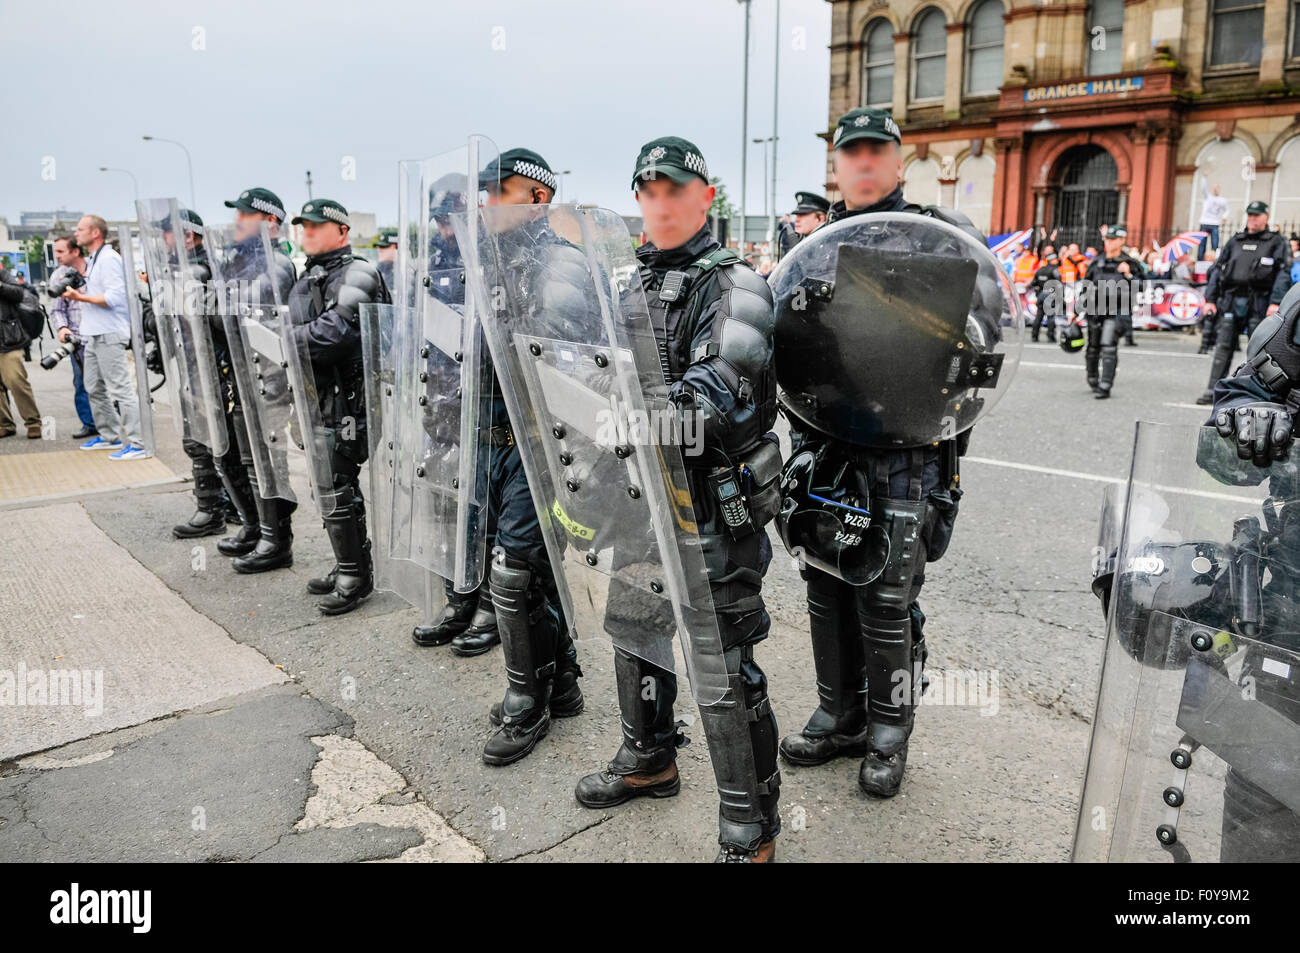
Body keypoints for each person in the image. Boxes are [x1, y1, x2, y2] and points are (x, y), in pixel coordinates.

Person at [567, 136, 783, 863]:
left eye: (672, 188)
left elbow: (716, 395)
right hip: (641, 497)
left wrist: (621, 410)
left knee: (721, 667)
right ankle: (649, 755)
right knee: (635, 627)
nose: (658, 202)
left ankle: (750, 829)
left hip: (710, 505)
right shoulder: (628, 284)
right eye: (647, 190)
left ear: (704, 198)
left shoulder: (735, 285)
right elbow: (596, 372)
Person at [775, 107, 987, 805]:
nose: (863, 163)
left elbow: (984, 344)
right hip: (829, 445)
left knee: (888, 598)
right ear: (836, 166)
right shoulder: (813, 246)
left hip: (905, 450)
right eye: (850, 153)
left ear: (900, 161)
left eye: (876, 151)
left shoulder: (943, 237)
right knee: (826, 582)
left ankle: (889, 731)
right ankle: (839, 715)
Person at [463, 148, 587, 764]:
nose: (486, 205)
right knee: (522, 571)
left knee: (515, 574)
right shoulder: (490, 263)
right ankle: (560, 681)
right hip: (493, 439)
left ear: (537, 198)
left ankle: (526, 699)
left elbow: (560, 367)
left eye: (498, 192)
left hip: (541, 447)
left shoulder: (561, 266)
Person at [287, 199, 390, 615]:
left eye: (316, 226)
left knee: (336, 485)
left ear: (342, 231)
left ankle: (355, 576)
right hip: (319, 400)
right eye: (303, 227)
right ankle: (350, 562)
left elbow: (333, 334)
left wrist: (283, 338)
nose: (307, 233)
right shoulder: (311, 274)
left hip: (352, 403)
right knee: (326, 485)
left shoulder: (358, 272)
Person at [213, 188, 299, 574]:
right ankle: (256, 528)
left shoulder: (277, 265)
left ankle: (276, 541)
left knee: (266, 459)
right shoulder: (240, 262)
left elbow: (235, 309)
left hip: (268, 379)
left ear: (270, 222)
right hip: (242, 375)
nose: (237, 222)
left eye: (245, 215)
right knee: (247, 458)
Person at [1196, 200, 1292, 405]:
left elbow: (1283, 273)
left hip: (1259, 302)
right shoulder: (1235, 240)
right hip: (1231, 300)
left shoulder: (1276, 242)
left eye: (1256, 216)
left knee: (1258, 352)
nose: (1252, 219)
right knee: (1223, 347)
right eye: (1250, 215)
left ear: (1266, 217)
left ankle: (1252, 395)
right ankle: (1213, 390)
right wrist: (1210, 299)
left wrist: (1276, 302)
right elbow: (1217, 269)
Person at [65, 214, 144, 457]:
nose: (76, 233)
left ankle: (139, 444)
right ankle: (109, 436)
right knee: (93, 387)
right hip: (94, 333)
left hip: (109, 332)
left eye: (80, 229)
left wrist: (80, 297)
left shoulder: (109, 259)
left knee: (120, 389)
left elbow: (114, 298)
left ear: (95, 233)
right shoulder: (94, 259)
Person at [1078, 225, 1144, 398]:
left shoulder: (1130, 263)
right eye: (1107, 239)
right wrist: (1077, 310)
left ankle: (1105, 385)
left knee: (1108, 345)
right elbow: (1086, 286)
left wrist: (1129, 275)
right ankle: (1092, 378)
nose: (1109, 243)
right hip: (1095, 309)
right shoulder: (1097, 262)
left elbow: (1142, 286)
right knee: (1093, 347)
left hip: (1117, 310)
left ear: (1122, 241)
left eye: (1113, 239)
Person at [48, 236, 97, 439]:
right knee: (82, 383)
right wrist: (62, 328)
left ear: (75, 251)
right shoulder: (58, 276)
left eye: (61, 252)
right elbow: (57, 309)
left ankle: (113, 420)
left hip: (101, 335)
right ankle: (90, 424)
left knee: (110, 383)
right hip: (77, 340)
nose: (57, 256)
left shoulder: (95, 269)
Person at [0, 266, 42, 438]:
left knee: (16, 380)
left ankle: (33, 421)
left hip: (8, 338)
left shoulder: (2, 274)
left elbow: (19, 292)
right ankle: (5, 424)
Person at [1028, 243, 1061, 342]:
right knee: (1050, 317)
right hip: (1051, 295)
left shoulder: (1040, 270)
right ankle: (1050, 336)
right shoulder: (1055, 270)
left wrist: (1039, 292)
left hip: (1041, 295)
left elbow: (1033, 283)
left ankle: (1034, 335)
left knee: (1039, 316)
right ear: (1052, 260)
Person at [1199, 181, 1228, 259]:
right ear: (1212, 189)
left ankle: (1214, 260)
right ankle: (1200, 261)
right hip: (1204, 223)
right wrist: (1204, 178)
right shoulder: (1207, 197)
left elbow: (1227, 210)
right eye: (1214, 188)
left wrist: (1224, 217)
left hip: (1215, 224)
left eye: (1217, 188)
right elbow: (1203, 189)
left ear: (1219, 190)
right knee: (1202, 244)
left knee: (1215, 244)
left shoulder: (1222, 200)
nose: (1215, 189)